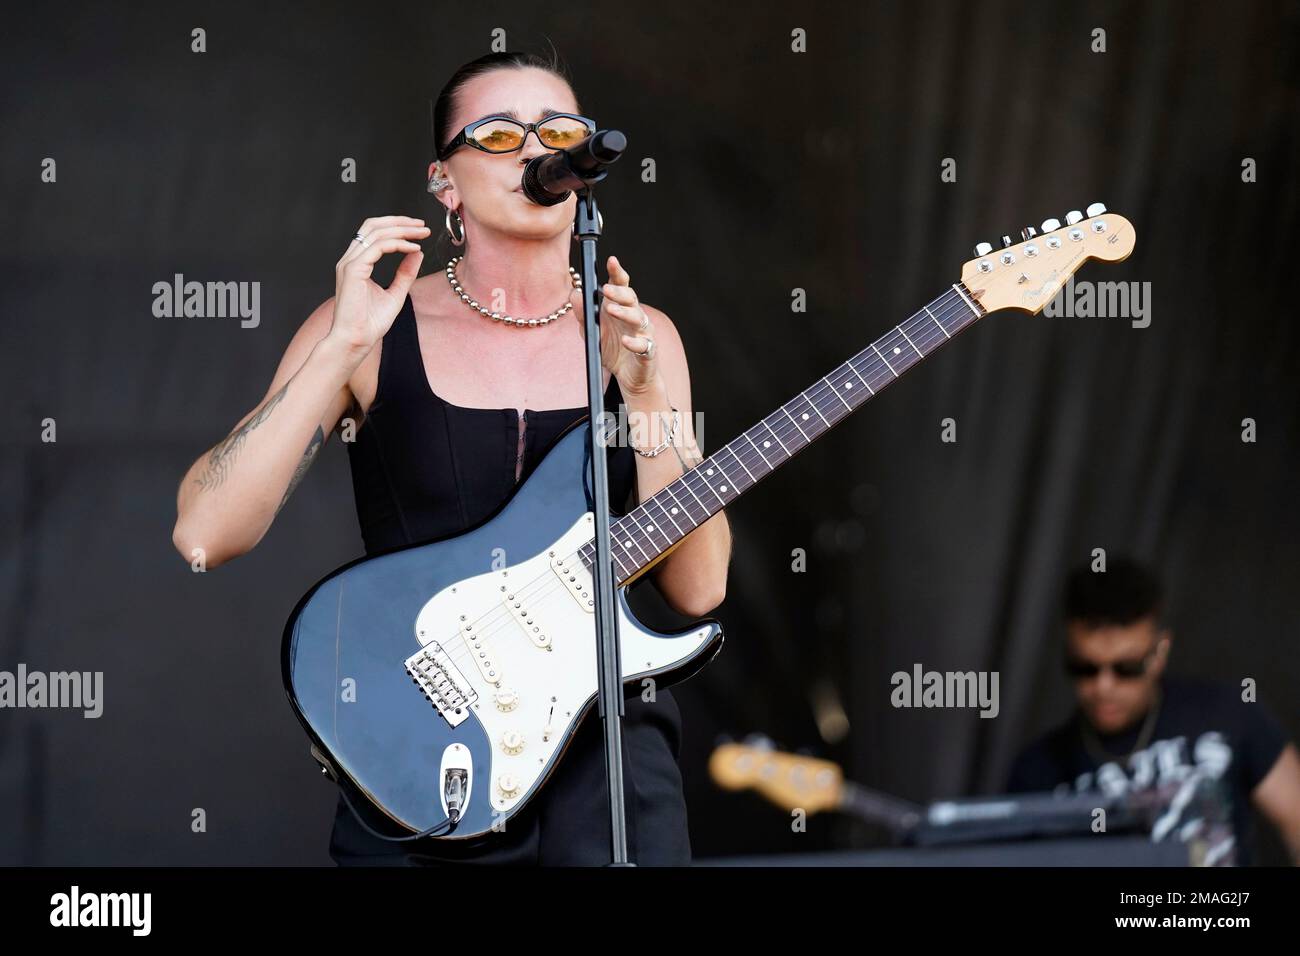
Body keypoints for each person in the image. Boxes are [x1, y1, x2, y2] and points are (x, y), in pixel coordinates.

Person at [171, 49, 732, 865]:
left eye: (559, 131)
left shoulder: (643, 336)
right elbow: (205, 532)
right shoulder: (371, 328)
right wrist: (342, 346)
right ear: (445, 181)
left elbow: (699, 586)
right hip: (423, 756)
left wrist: (646, 399)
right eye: (500, 134)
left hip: (608, 767)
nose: (537, 149)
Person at [1006, 557, 1300, 864]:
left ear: (1159, 652)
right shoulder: (1036, 770)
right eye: (1085, 668)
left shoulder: (1227, 712)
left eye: (1126, 668)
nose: (1104, 686)